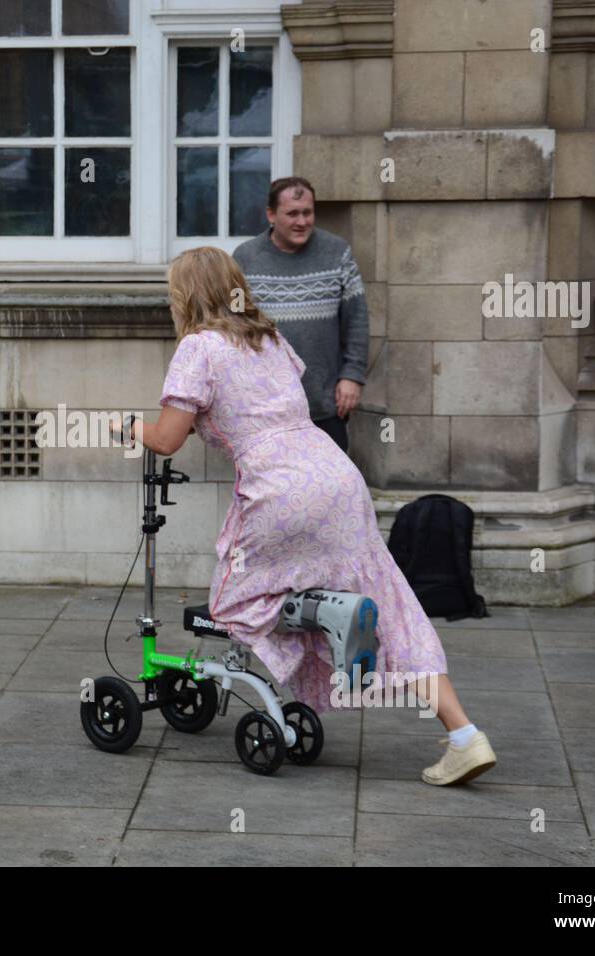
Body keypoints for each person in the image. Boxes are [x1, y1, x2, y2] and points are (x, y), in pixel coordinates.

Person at [124, 247, 496, 786]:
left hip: (279, 489)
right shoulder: (269, 339)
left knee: (233, 603)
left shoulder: (197, 348)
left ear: (185, 295)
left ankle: (326, 616)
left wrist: (126, 427)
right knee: (390, 604)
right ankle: (464, 735)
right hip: (336, 477)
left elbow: (167, 439)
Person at [233, 176, 367, 453]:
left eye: (308, 212)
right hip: (265, 409)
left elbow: (357, 320)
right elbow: (232, 328)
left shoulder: (337, 252)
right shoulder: (245, 259)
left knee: (330, 489)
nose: (302, 221)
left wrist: (352, 375)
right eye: (292, 213)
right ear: (271, 214)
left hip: (326, 404)